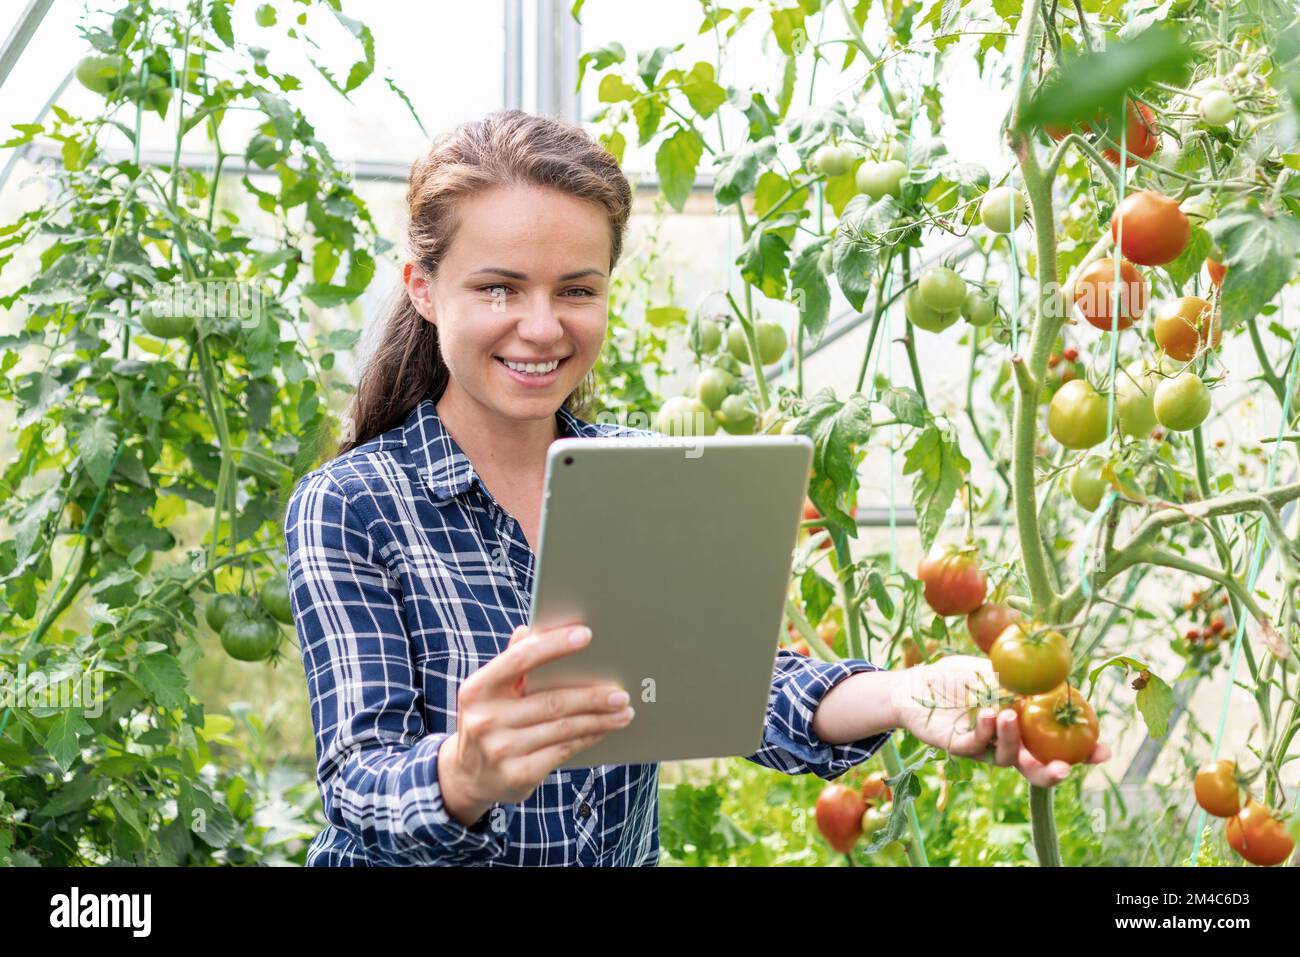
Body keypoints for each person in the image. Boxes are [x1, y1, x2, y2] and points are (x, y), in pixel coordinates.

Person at [283, 109, 1109, 867]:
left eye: (577, 289)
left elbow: (738, 687)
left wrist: (903, 693)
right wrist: (464, 773)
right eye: (498, 287)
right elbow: (360, 780)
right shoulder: (353, 504)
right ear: (424, 288)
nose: (542, 327)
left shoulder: (643, 478)